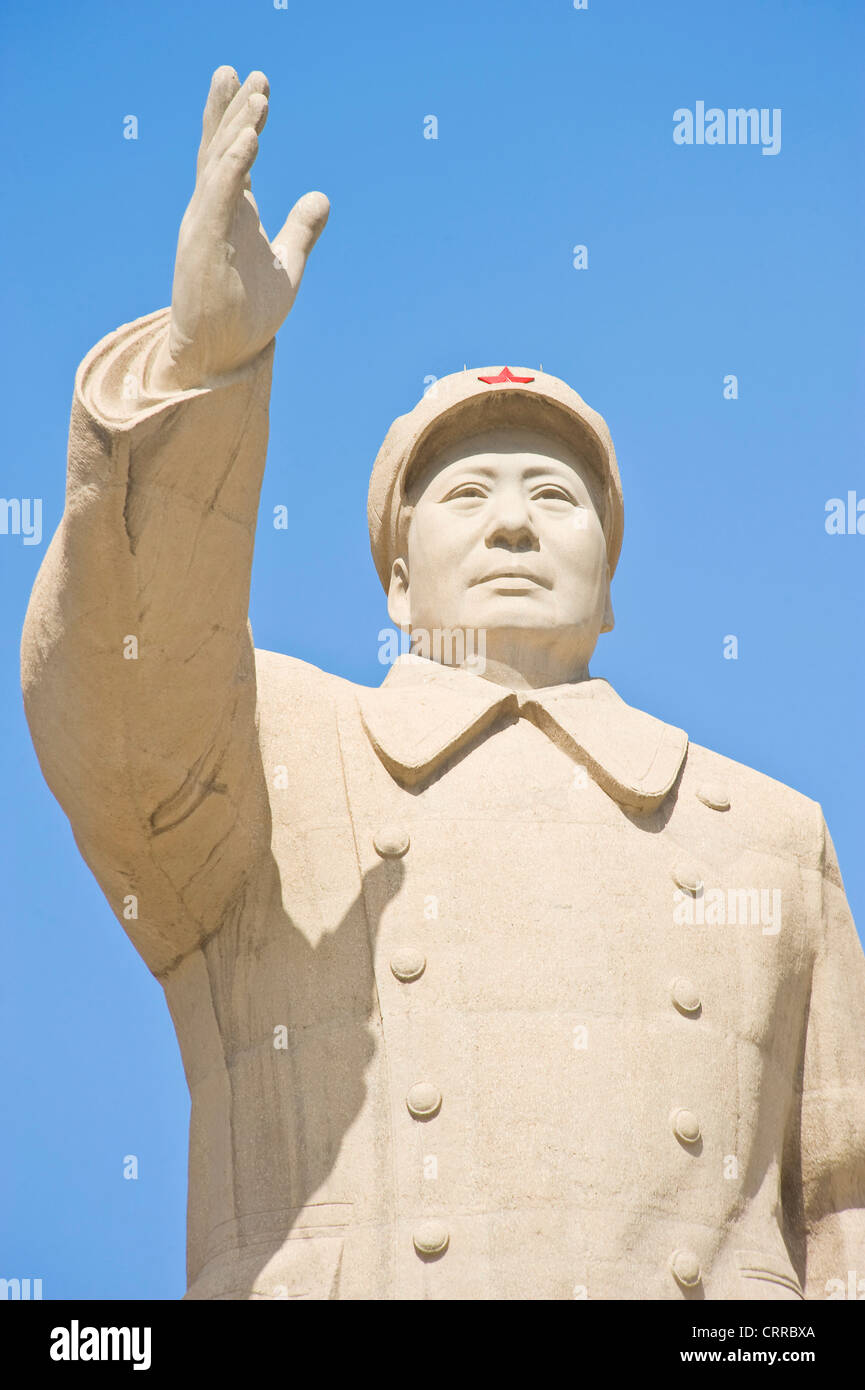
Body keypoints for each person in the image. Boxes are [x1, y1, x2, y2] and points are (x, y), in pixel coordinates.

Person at [21, 66, 865, 1300]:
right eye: (467, 496)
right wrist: (201, 369)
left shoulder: (773, 837)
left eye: (556, 498)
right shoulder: (279, 751)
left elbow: (843, 1204)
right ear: (397, 586)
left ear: (612, 584)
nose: (515, 525)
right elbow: (113, 696)